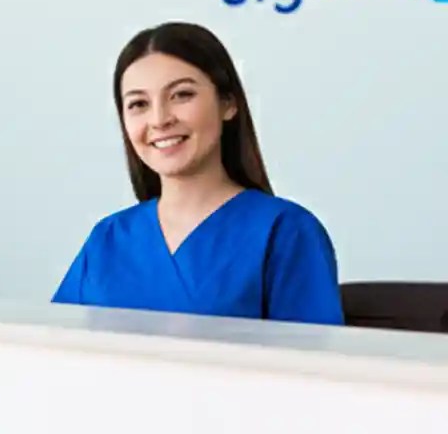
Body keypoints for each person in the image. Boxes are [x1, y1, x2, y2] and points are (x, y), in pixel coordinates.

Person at [52, 21, 344, 325]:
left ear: (228, 103)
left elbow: (312, 366)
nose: (159, 119)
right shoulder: (107, 239)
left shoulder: (285, 231)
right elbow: (53, 354)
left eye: (181, 95)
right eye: (138, 104)